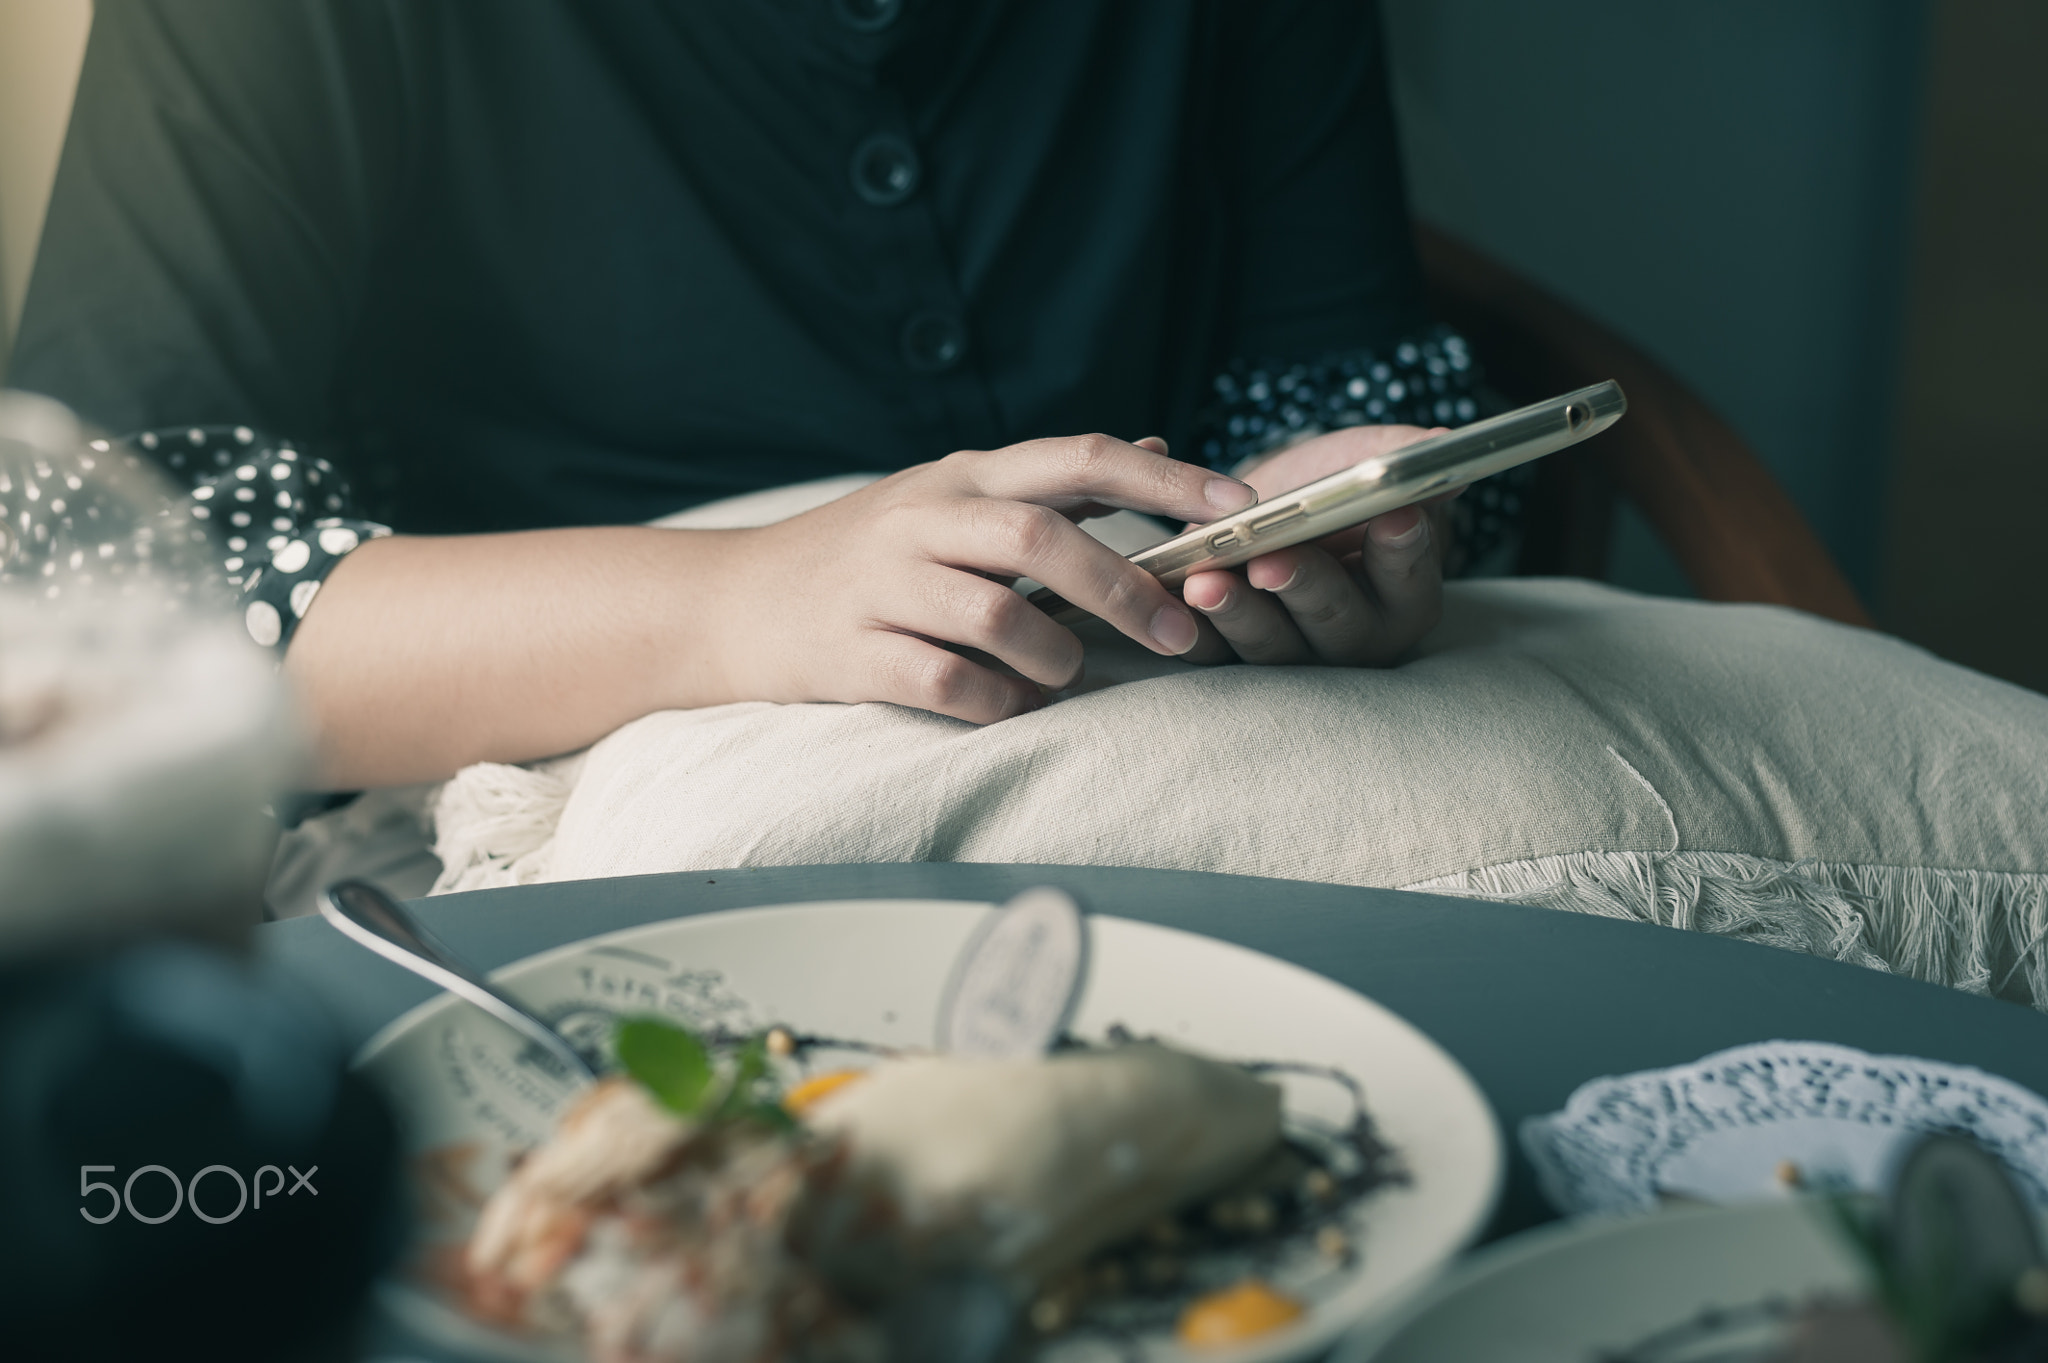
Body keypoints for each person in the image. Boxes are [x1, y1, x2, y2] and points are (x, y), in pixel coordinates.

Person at [8, 0, 1507, 791]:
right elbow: (93, 612)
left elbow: (1347, 387)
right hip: (568, 793)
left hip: (1203, 739)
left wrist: (1343, 539)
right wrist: (737, 600)